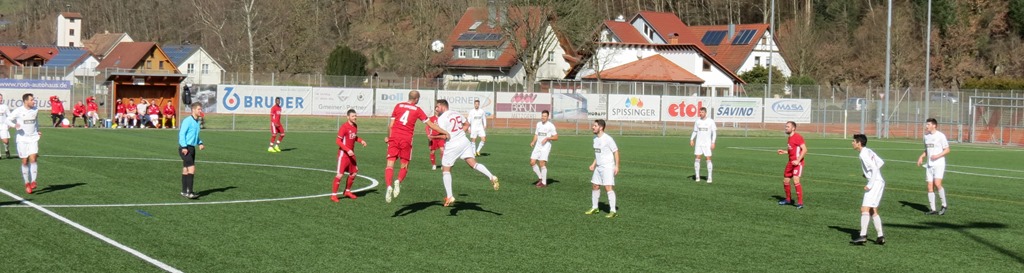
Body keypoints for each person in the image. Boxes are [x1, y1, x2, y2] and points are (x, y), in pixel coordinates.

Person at [434, 99, 499, 207]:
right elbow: (467, 124)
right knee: (473, 163)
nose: (436, 109)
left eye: (437, 107)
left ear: (443, 106)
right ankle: (491, 176)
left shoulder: (442, 118)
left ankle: (449, 196)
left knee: (446, 170)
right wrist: (459, 133)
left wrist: (434, 137)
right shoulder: (456, 113)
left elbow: (446, 135)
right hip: (464, 142)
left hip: (453, 145)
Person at [383, 90, 436, 203]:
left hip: (394, 138)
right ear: (416, 99)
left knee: (390, 164)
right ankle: (398, 181)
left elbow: (390, 125)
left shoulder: (398, 106)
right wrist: (444, 132)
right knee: (404, 165)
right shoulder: (417, 109)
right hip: (406, 139)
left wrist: (388, 137)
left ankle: (388, 186)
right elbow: (430, 124)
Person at [851, 134, 886, 245]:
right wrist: (868, 174)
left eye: (854, 141)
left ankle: (863, 235)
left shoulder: (863, 154)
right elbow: (880, 162)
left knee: (864, 209)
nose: (852, 143)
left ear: (859, 143)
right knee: (872, 210)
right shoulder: (869, 151)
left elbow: (875, 168)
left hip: (875, 183)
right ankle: (880, 237)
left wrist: (870, 183)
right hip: (879, 182)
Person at [584, 119, 620, 218]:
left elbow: (616, 151)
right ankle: (595, 207)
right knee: (595, 185)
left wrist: (617, 166)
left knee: (608, 187)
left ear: (601, 127)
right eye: (593, 125)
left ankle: (613, 211)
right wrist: (593, 164)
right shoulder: (595, 139)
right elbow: (598, 153)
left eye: (595, 126)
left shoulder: (608, 139)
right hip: (598, 167)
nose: (593, 127)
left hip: (608, 167)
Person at [332, 109, 368, 202]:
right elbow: (338, 141)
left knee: (354, 172)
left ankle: (347, 191)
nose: (355, 117)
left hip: (351, 154)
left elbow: (353, 136)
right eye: (353, 116)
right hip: (343, 155)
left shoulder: (355, 126)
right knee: (340, 175)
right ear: (348, 117)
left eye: (355, 116)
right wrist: (347, 150)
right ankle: (333, 195)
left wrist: (361, 140)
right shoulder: (344, 127)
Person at [7, 93, 41, 194]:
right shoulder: (18, 111)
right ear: (25, 101)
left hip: (33, 137)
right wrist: (14, 125)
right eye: (31, 100)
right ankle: (27, 182)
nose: (33, 101)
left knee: (33, 158)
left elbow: (36, 121)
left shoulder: (35, 110)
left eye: (33, 100)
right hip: (22, 139)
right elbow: (8, 120)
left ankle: (33, 181)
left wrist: (37, 130)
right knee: (25, 161)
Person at [917, 118, 950, 215]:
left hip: (939, 163)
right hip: (929, 165)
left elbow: (947, 150)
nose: (926, 126)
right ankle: (933, 209)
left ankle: (944, 205)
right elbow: (927, 150)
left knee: (937, 184)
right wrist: (921, 156)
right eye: (926, 124)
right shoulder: (926, 136)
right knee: (929, 186)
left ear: (934, 125)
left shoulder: (940, 136)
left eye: (928, 124)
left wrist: (937, 156)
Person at [776, 121, 807, 209]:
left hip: (798, 163)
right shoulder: (790, 138)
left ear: (793, 128)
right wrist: (785, 152)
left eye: (788, 127)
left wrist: (798, 160)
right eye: (786, 126)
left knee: (796, 180)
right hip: (790, 162)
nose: (786, 128)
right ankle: (788, 199)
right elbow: (792, 150)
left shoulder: (798, 137)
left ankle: (800, 203)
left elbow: (804, 150)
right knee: (786, 180)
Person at [178, 102, 205, 199]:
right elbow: (182, 134)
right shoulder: (187, 121)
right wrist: (184, 147)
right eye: (199, 109)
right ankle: (190, 192)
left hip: (192, 148)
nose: (200, 111)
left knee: (186, 169)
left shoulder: (197, 122)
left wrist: (200, 143)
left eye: (201, 109)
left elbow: (195, 136)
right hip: (185, 148)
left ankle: (184, 191)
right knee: (192, 168)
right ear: (193, 110)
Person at [530, 110, 558, 187]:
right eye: (542, 116)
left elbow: (556, 137)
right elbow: (536, 134)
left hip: (545, 147)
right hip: (537, 146)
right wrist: (533, 141)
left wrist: (547, 138)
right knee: (532, 162)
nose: (543, 117)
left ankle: (544, 183)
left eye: (545, 116)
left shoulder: (551, 126)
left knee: (542, 163)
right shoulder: (538, 124)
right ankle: (540, 177)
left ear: (548, 117)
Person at [689, 107, 717, 183]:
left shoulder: (711, 121)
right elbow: (695, 131)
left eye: (702, 112)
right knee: (697, 158)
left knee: (708, 158)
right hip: (698, 143)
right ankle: (697, 176)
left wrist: (713, 142)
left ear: (705, 113)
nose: (700, 113)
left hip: (707, 143)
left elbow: (714, 132)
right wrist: (691, 139)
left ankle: (710, 177)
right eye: (700, 112)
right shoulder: (697, 121)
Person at [0, 94, 11, 159]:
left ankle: (6, 150)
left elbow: (9, 116)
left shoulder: (5, 106)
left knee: (5, 141)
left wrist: (9, 124)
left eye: (1, 98)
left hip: (3, 125)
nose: (0, 99)